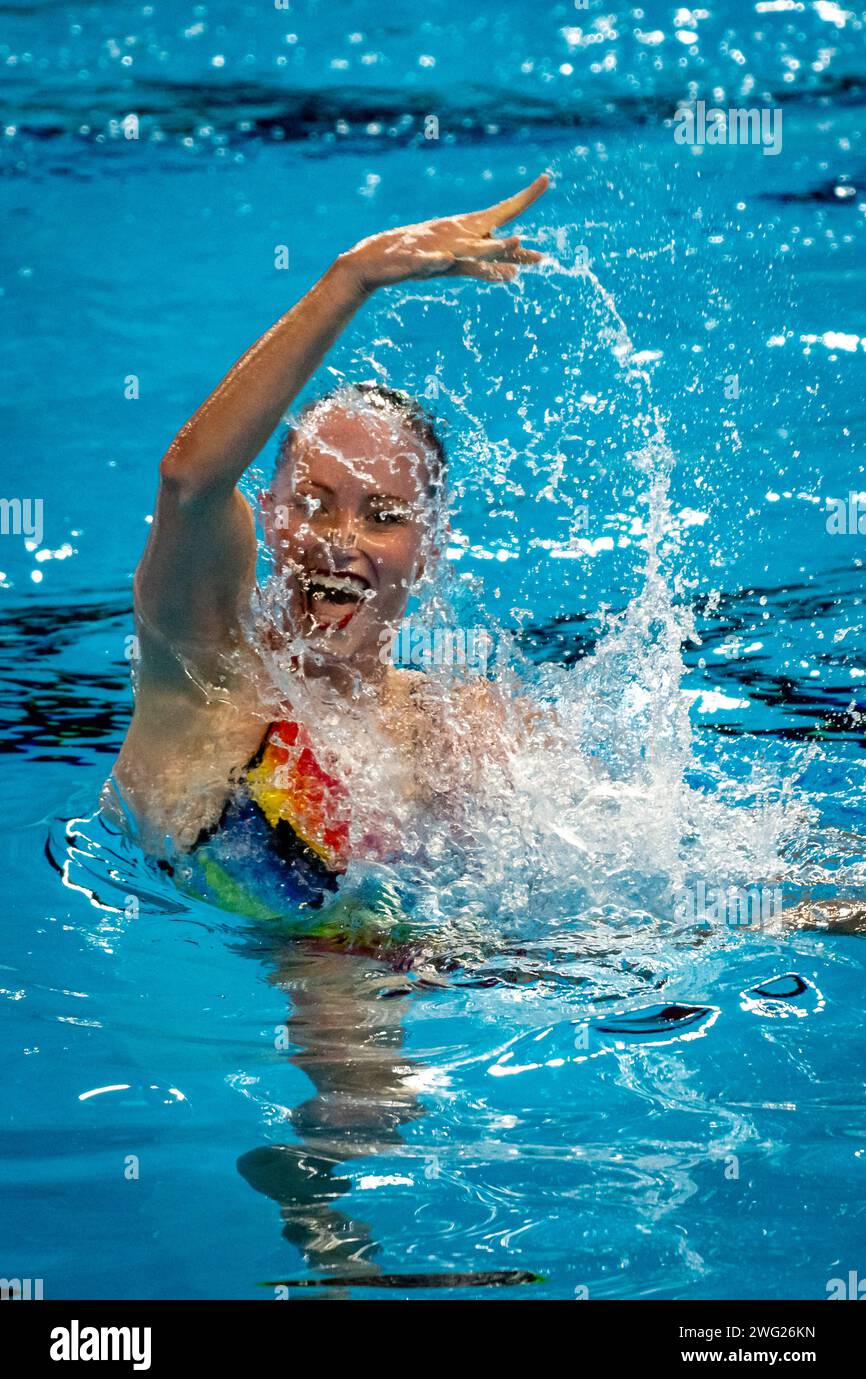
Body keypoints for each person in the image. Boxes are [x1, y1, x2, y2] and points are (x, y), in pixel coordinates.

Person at [102, 174, 550, 918]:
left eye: (383, 516)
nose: (341, 542)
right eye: (313, 506)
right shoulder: (203, 671)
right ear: (270, 516)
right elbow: (188, 483)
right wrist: (351, 279)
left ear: (429, 547)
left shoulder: (455, 728)